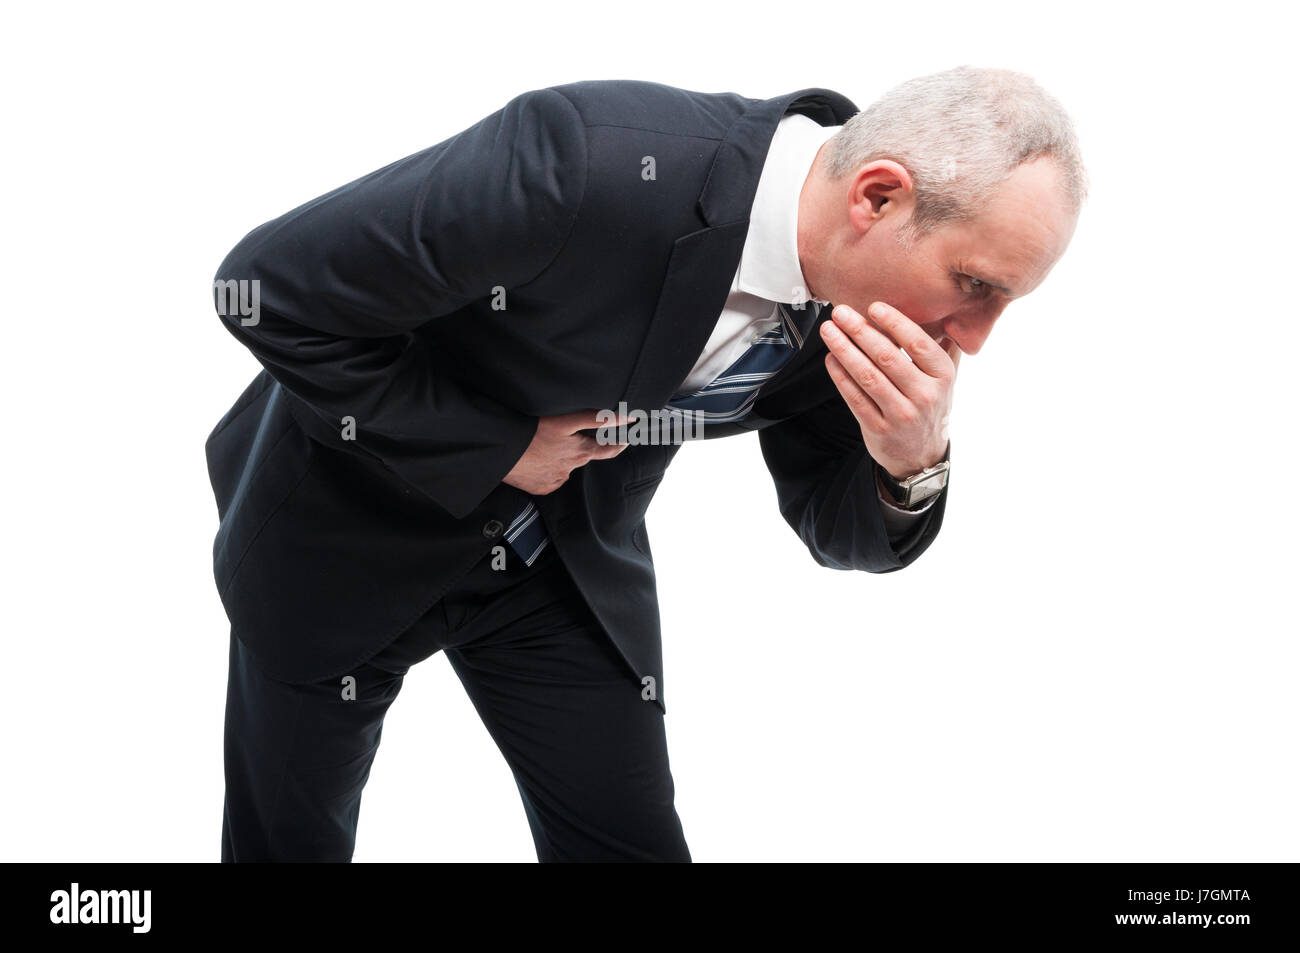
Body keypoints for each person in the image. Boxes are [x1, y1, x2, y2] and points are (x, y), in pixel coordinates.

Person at [207, 65, 1085, 862]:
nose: (973, 340)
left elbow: (836, 524)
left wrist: (910, 460)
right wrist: (504, 446)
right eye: (976, 286)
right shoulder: (585, 163)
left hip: (559, 569)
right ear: (878, 197)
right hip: (341, 545)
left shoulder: (850, 297)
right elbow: (268, 289)